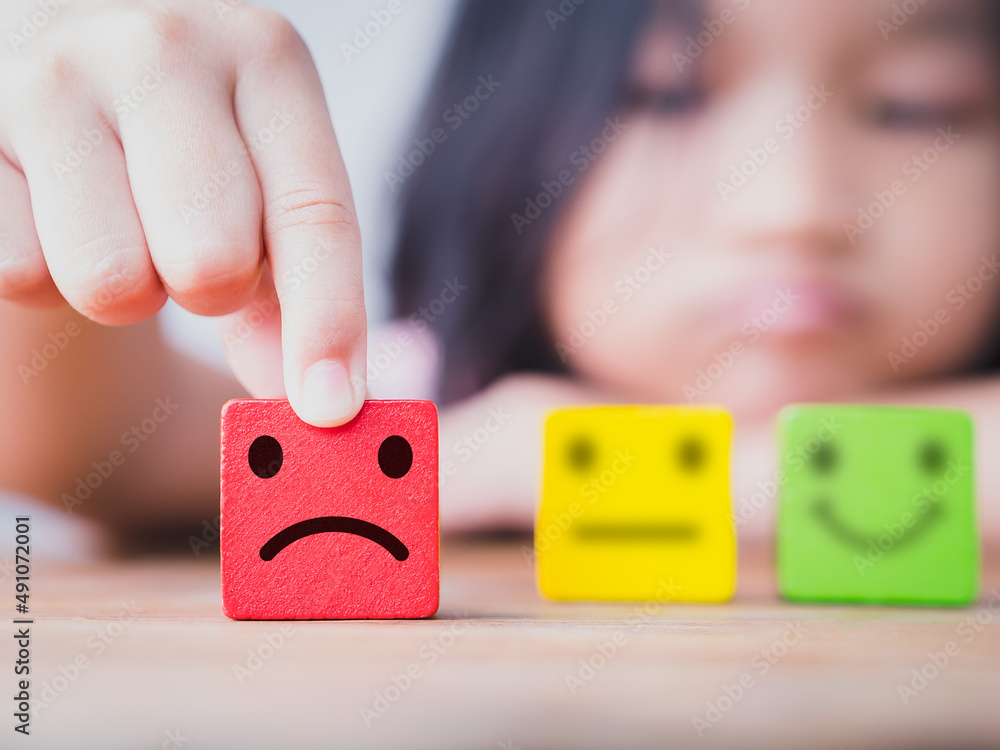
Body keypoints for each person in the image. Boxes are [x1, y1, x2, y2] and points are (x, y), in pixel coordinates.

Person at [1, 0, 998, 541]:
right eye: (666, 92)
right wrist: (52, 150)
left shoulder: (480, 444)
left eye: (919, 105)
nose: (792, 204)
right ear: (505, 126)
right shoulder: (413, 396)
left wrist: (562, 465)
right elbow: (88, 445)